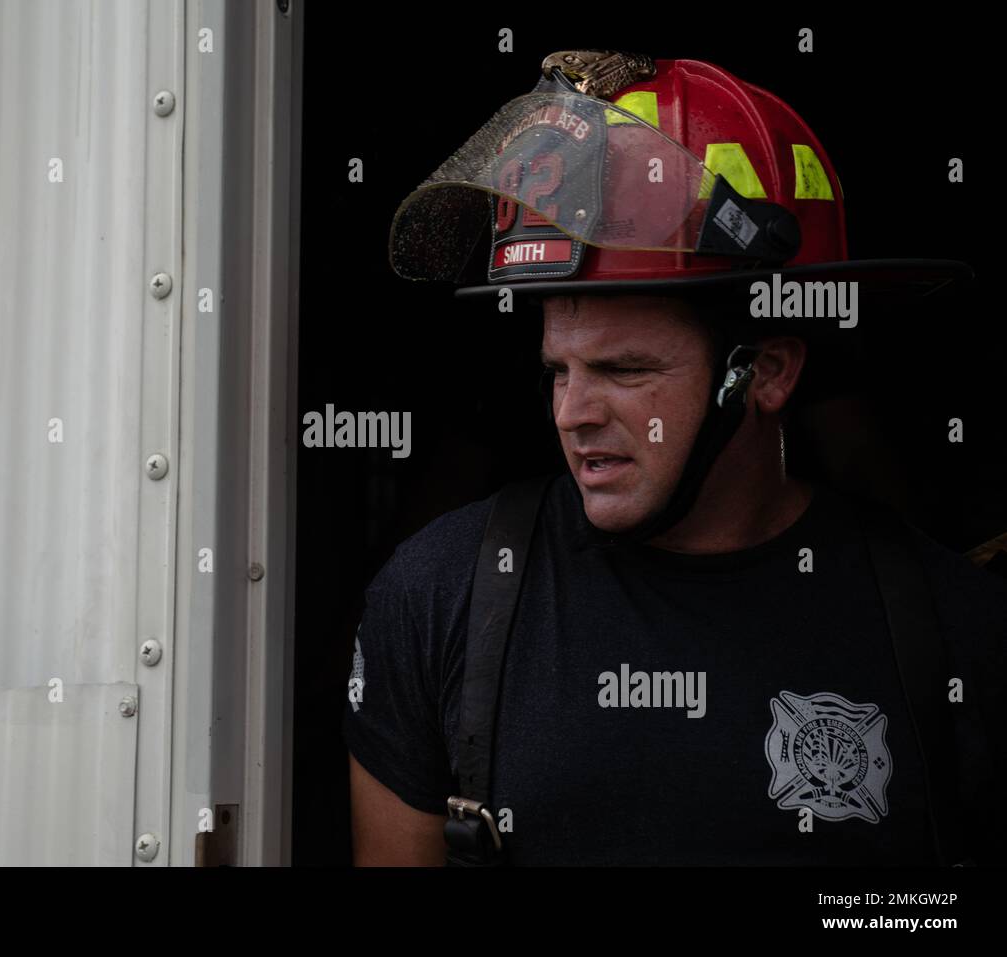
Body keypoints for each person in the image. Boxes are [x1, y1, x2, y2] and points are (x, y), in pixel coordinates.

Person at [342, 51, 1007, 865]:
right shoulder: (440, 600)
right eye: (558, 369)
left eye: (626, 370)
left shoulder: (954, 630)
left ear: (767, 370)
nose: (571, 413)